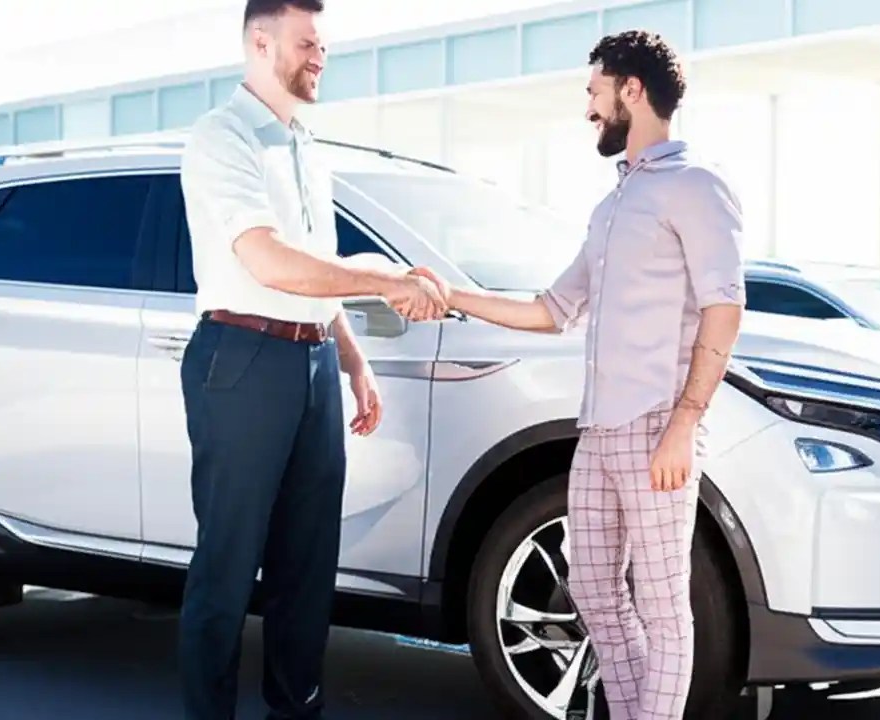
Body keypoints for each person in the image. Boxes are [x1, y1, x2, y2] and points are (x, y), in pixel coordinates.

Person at [412, 30, 746, 720]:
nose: (588, 108)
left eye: (595, 91)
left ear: (632, 90)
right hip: (597, 433)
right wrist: (452, 293)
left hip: (659, 426)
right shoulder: (611, 206)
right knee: (593, 590)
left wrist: (686, 422)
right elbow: (553, 309)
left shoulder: (696, 185)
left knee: (662, 603)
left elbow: (726, 305)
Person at [176, 1, 446, 718]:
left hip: (314, 365)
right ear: (261, 43)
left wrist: (352, 361)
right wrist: (390, 281)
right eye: (308, 44)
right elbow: (268, 260)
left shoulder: (303, 145)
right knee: (228, 570)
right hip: (242, 360)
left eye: (323, 45)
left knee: (306, 568)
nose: (321, 57)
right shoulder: (221, 137)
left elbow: (316, 269)